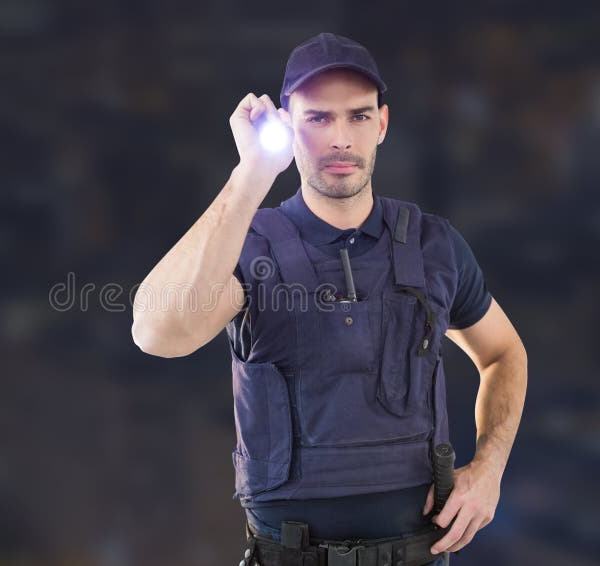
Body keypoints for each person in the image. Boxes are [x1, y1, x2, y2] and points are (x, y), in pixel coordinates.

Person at [131, 32, 527, 566]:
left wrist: (489, 470)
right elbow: (157, 335)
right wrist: (249, 175)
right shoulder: (246, 247)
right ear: (288, 128)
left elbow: (504, 354)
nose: (340, 138)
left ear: (382, 124)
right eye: (317, 118)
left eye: (358, 117)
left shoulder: (434, 245)